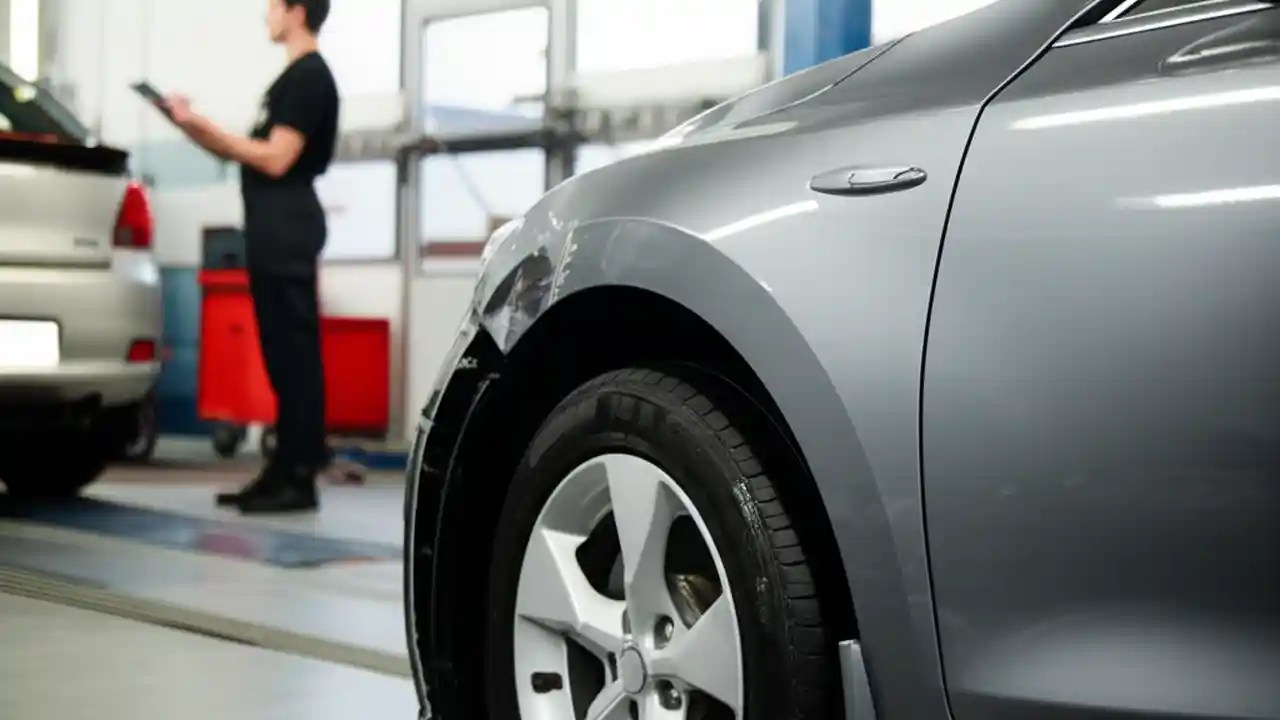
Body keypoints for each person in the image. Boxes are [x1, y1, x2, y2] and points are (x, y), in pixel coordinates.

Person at [165, 0, 338, 514]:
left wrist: (202, 125)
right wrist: (189, 124)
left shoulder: (309, 78)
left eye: (273, 7)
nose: (266, 15)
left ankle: (299, 476)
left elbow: (275, 157)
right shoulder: (287, 82)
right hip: (271, 229)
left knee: (295, 357)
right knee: (282, 356)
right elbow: (246, 150)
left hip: (288, 228)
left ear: (297, 12)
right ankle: (281, 469)